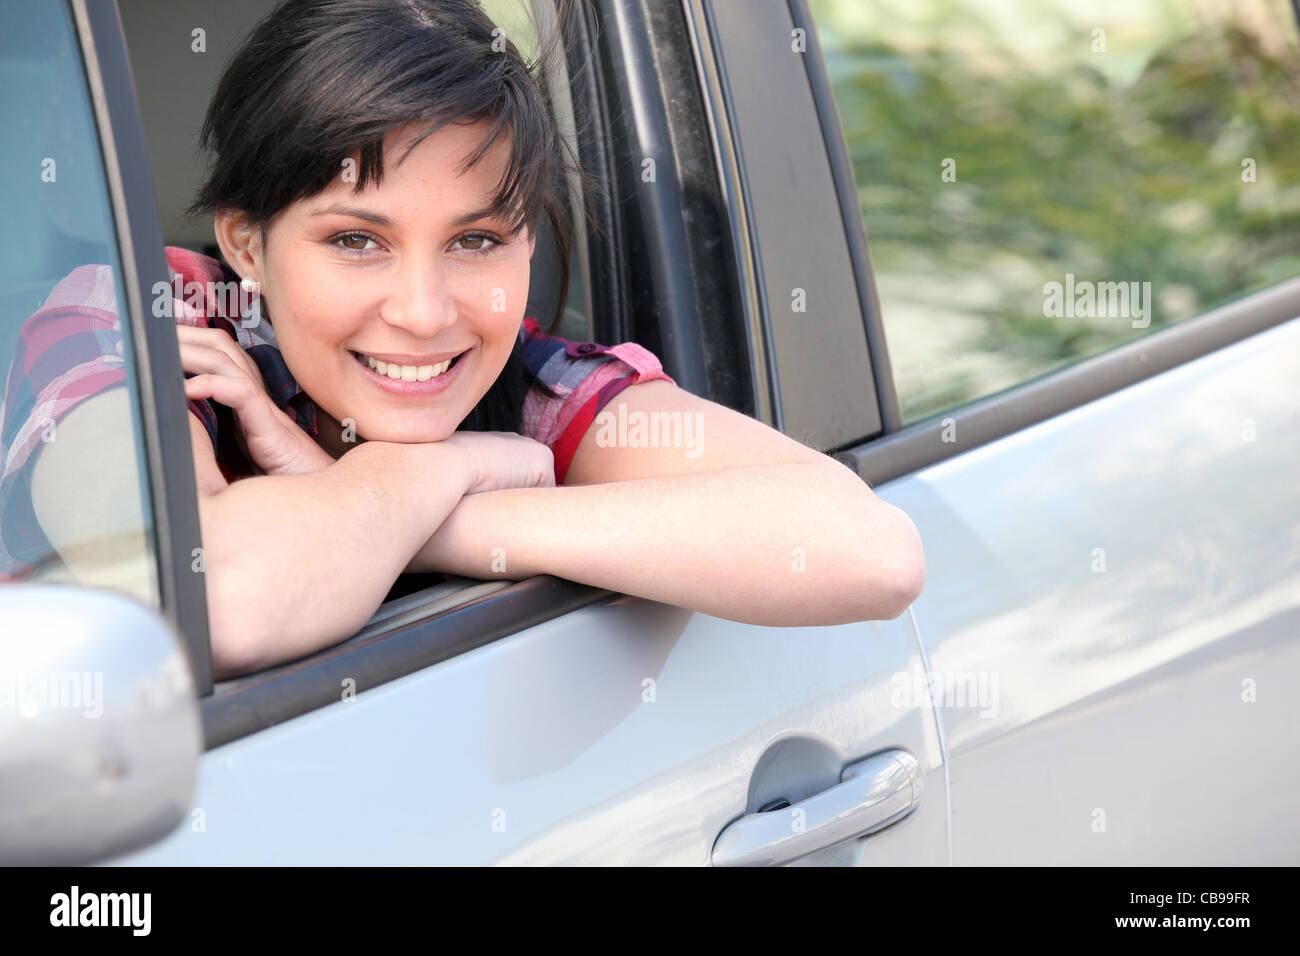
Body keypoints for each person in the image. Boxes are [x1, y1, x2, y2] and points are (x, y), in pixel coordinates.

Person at [0, 0, 924, 678]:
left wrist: (432, 520)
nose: (426, 312)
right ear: (247, 243)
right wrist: (415, 472)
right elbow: (224, 598)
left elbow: (867, 548)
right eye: (356, 240)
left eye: (475, 241)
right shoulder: (135, 321)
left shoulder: (532, 384)